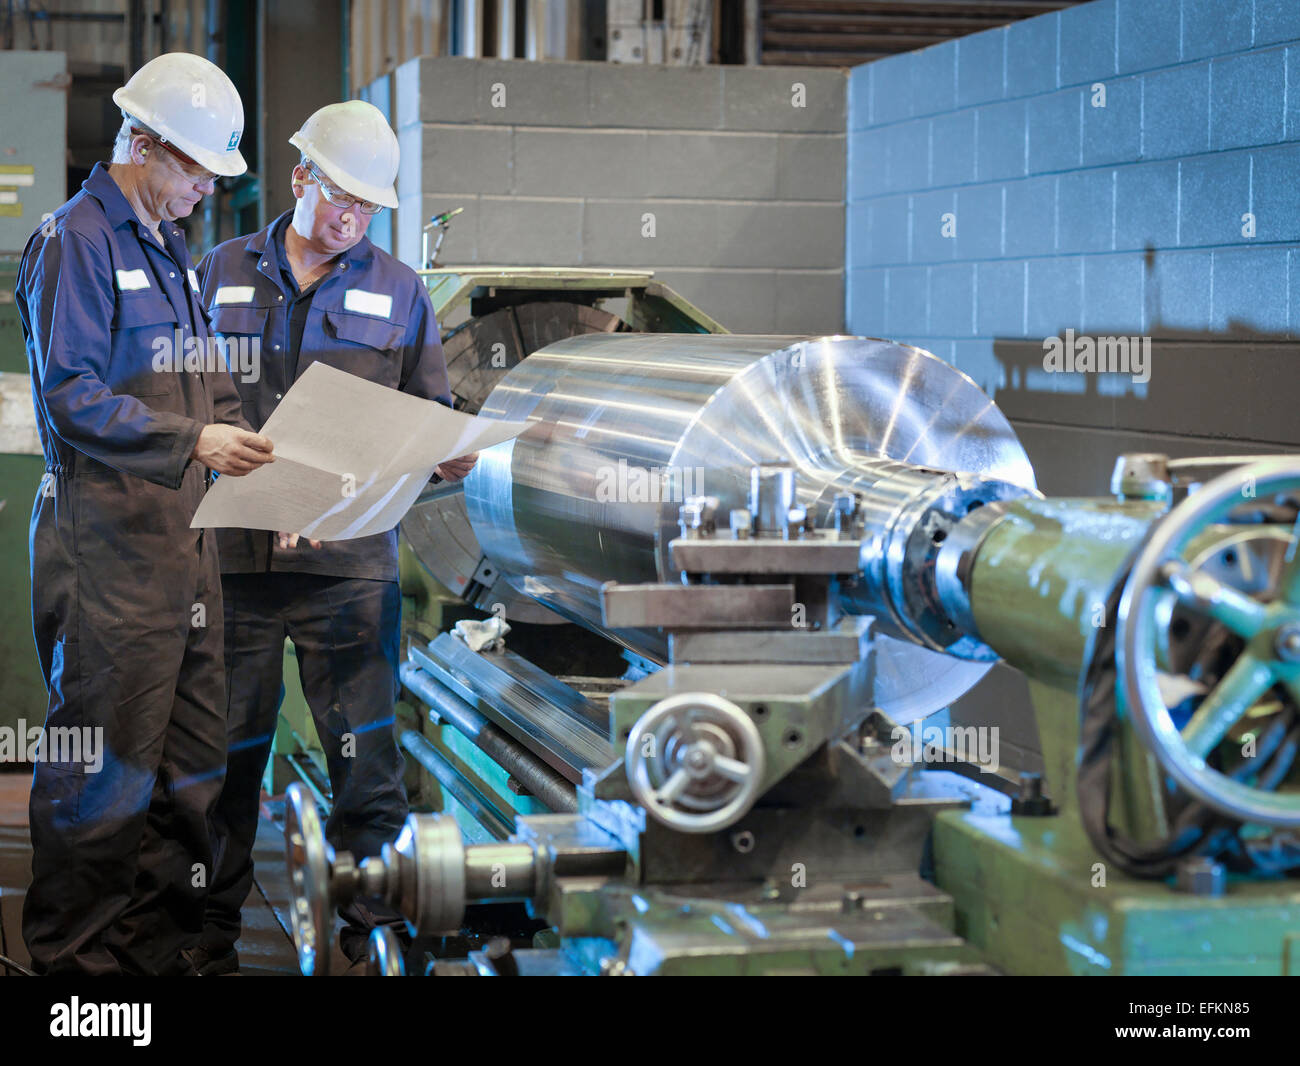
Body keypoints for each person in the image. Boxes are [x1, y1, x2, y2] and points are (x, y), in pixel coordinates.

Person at [193, 99, 476, 975]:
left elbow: (427, 408)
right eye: (341, 195)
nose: (352, 217)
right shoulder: (217, 271)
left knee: (366, 761)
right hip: (236, 562)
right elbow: (192, 404)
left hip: (348, 569)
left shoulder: (399, 289)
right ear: (299, 177)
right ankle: (206, 939)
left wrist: (442, 452)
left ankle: (373, 930)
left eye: (368, 204)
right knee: (225, 759)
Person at [17, 52, 274, 975]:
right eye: (197, 170)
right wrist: (192, 445)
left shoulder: (171, 255)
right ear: (144, 144)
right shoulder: (74, 240)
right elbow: (70, 396)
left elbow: (215, 398)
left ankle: (165, 960)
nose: (206, 192)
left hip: (185, 557)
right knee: (103, 780)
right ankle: (82, 984)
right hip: (108, 555)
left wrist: (279, 481)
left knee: (189, 773)